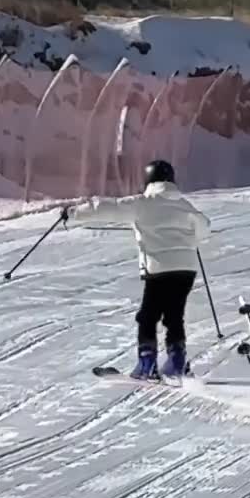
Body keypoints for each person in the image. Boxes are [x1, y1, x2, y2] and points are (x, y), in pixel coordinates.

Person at [62, 160, 211, 380]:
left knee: (148, 316)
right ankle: (177, 362)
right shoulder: (185, 205)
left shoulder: (144, 202)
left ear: (149, 179)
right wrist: (192, 238)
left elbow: (108, 208)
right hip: (185, 269)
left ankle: (147, 363)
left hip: (159, 268)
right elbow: (204, 226)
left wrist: (74, 212)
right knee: (174, 316)